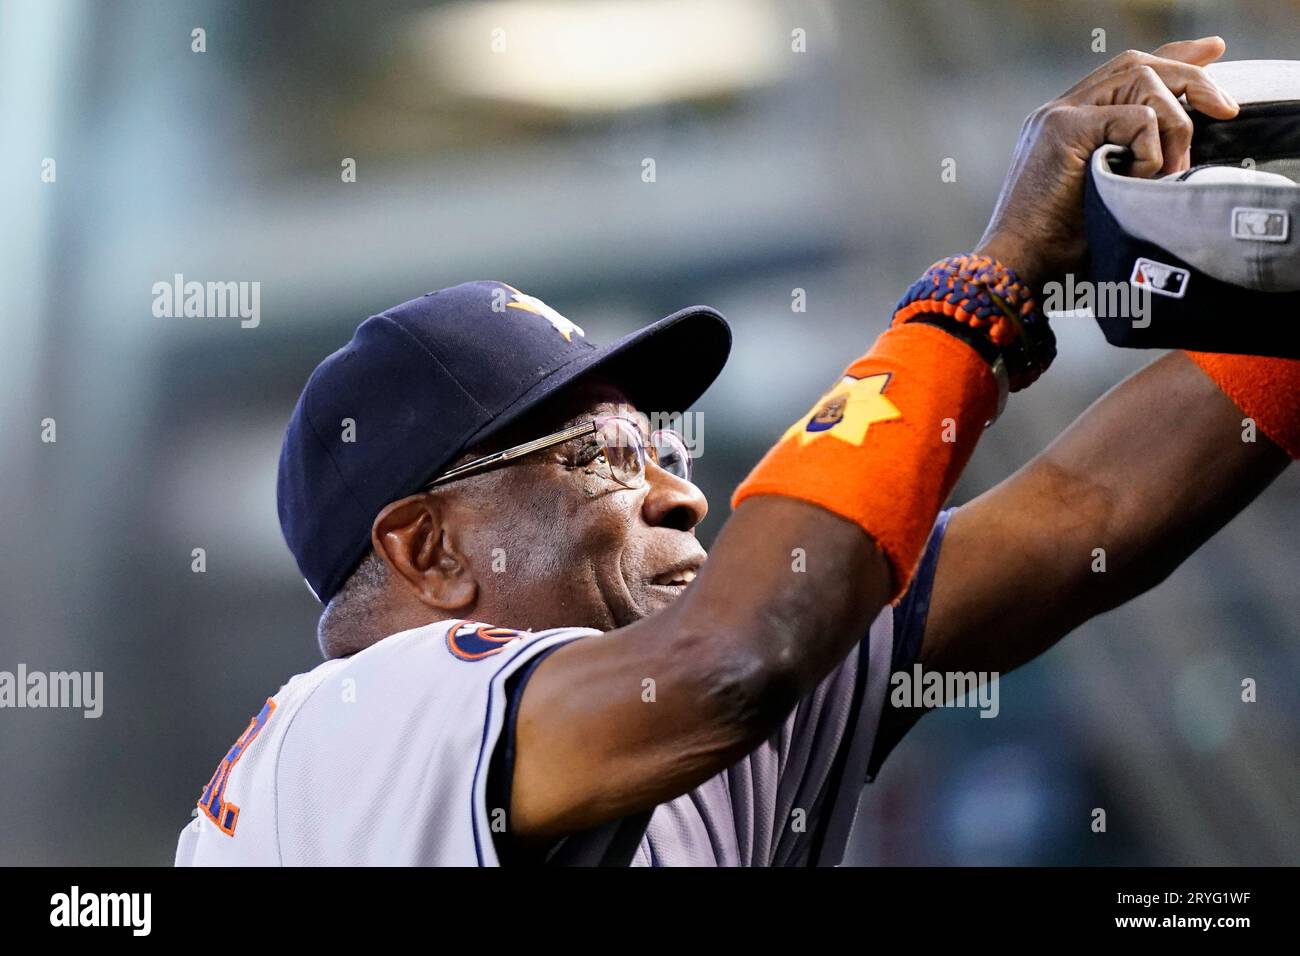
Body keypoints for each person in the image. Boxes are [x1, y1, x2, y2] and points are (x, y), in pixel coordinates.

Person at [176, 37, 1297, 866]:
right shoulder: (345, 731)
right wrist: (985, 285)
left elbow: (1085, 514)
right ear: (427, 549)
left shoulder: (684, 704)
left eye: (668, 448)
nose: (680, 495)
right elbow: (734, 657)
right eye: (606, 455)